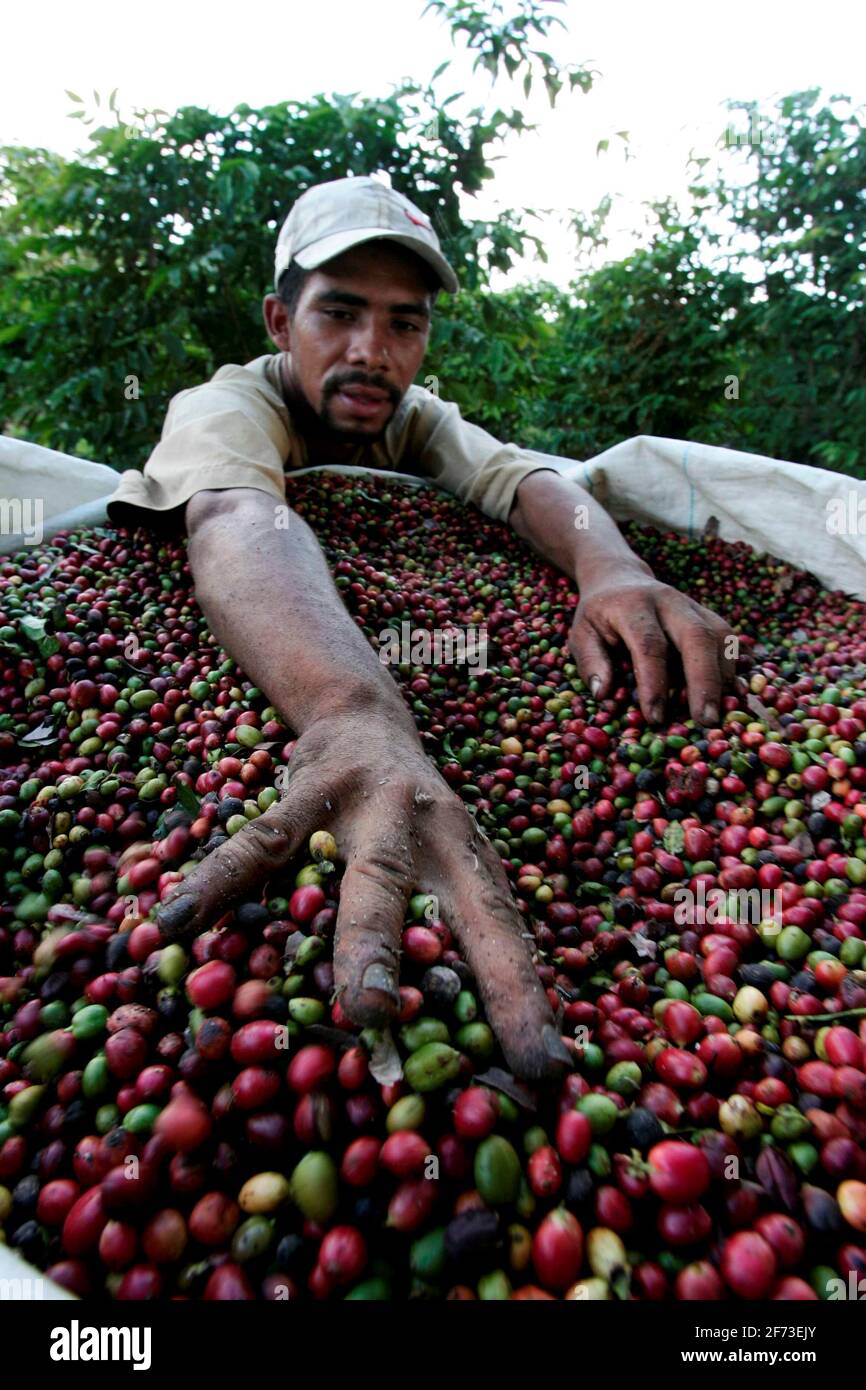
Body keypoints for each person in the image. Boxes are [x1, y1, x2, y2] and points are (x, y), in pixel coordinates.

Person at [108, 175, 734, 1081]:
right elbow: (239, 522)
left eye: (406, 323)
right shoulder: (230, 407)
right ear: (280, 323)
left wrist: (612, 567)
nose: (373, 352)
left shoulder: (408, 423)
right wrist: (351, 714)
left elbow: (523, 481)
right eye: (341, 314)